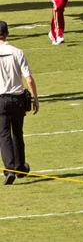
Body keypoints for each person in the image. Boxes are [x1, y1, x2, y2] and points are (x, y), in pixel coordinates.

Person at [0, 20, 39, 186]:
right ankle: (20, 167)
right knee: (17, 133)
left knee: (4, 135)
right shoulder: (17, 52)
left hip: (0, 99)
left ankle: (9, 169)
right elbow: (28, 78)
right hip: (17, 99)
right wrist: (36, 98)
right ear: (7, 34)